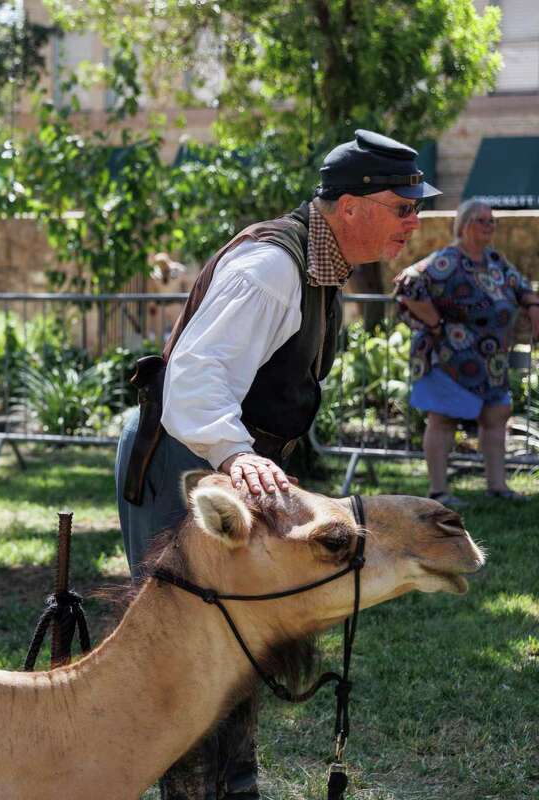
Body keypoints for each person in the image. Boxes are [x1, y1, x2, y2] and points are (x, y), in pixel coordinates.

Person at [115, 130, 439, 800]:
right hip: (180, 456)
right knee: (191, 646)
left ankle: (236, 788)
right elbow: (194, 381)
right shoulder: (270, 271)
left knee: (238, 637)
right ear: (349, 206)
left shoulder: (316, 265)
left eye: (417, 208)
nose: (414, 221)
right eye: (403, 207)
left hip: (222, 461)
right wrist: (238, 454)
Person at [395, 200, 539, 507]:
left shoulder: (495, 260)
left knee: (497, 415)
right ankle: (439, 491)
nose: (489, 226)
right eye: (482, 220)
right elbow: (408, 285)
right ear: (464, 225)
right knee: (443, 419)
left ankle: (497, 486)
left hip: (491, 359)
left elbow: (522, 287)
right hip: (449, 356)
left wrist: (533, 307)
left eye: (492, 221)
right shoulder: (447, 260)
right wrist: (435, 323)